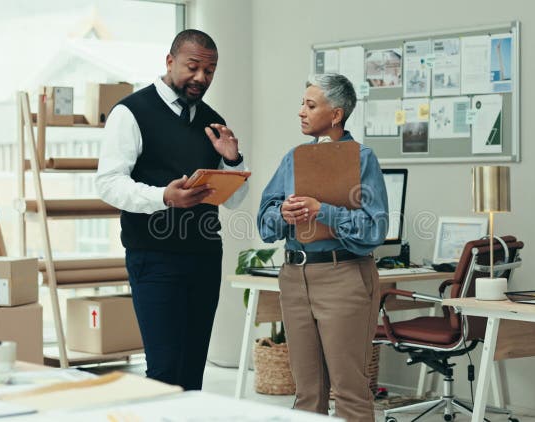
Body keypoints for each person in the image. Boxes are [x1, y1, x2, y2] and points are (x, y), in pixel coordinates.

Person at [96, 29, 248, 390]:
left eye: (209, 71)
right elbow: (108, 183)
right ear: (169, 61)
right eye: (192, 67)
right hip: (154, 257)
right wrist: (164, 197)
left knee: (193, 372)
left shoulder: (213, 121)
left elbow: (235, 199)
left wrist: (232, 159)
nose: (201, 78)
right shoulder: (131, 112)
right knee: (163, 371)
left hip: (206, 256)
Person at [257, 74, 388, 421]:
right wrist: (282, 214)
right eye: (302, 103)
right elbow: (264, 223)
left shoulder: (362, 158)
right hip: (294, 277)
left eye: (310, 105)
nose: (300, 111)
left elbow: (376, 229)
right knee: (307, 393)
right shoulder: (293, 158)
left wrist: (323, 210)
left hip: (343, 276)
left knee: (349, 391)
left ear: (336, 114)